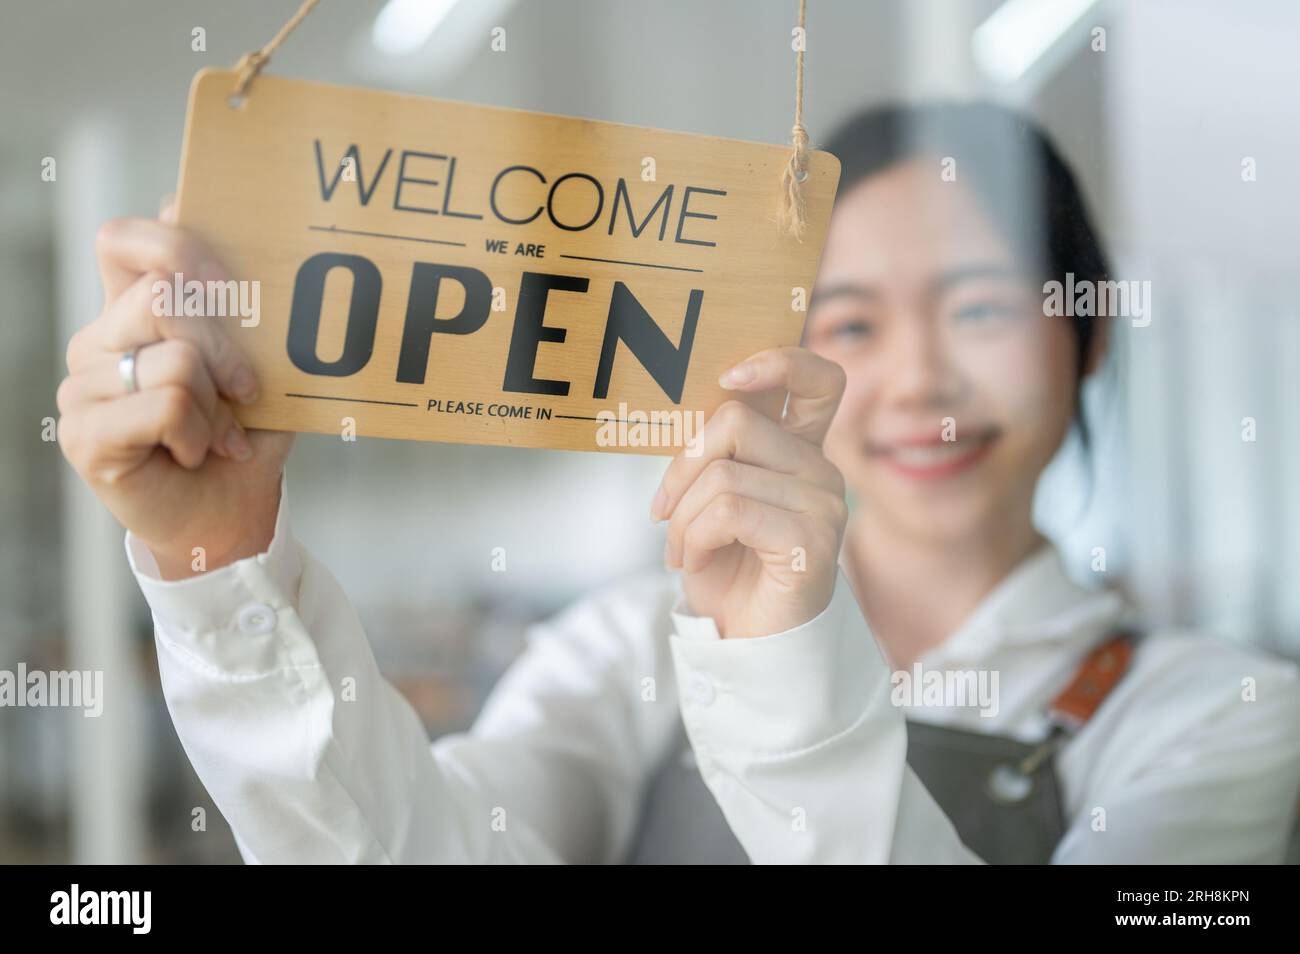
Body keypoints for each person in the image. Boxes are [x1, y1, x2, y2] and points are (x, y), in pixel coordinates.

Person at [57, 102, 1300, 864]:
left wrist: (782, 662)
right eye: (851, 323)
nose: (921, 377)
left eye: (979, 307)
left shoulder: (1222, 717)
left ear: (1083, 333)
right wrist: (218, 565)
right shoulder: (628, 647)